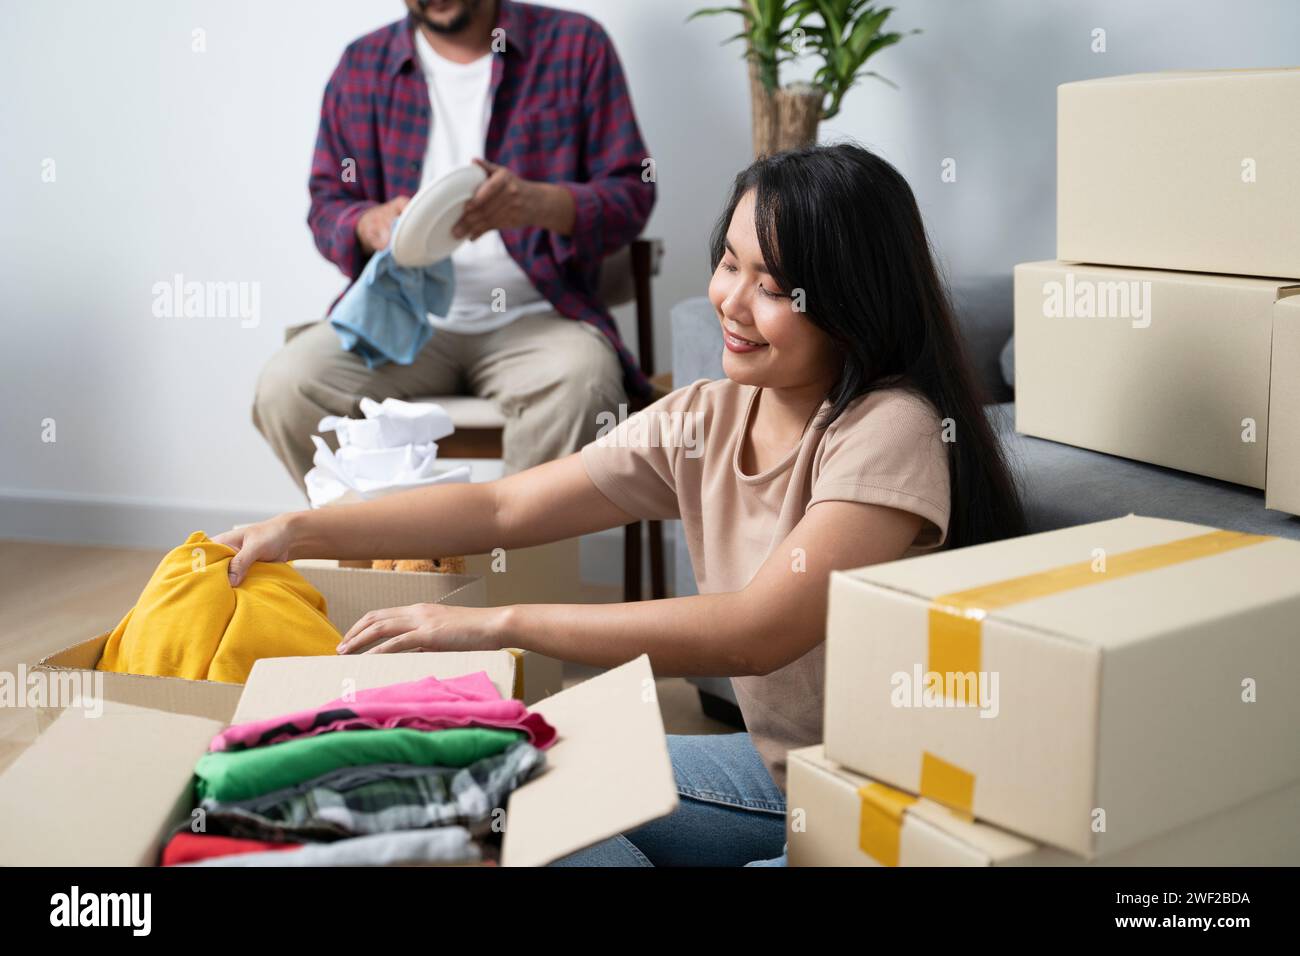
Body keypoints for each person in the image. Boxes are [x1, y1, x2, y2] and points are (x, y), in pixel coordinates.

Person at [218, 143, 1026, 866]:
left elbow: (756, 633)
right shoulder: (705, 416)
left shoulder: (891, 428)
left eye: (774, 286)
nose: (732, 302)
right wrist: (297, 528)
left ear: (853, 305)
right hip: (780, 770)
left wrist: (497, 622)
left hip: (892, 809)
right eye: (731, 263)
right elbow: (503, 511)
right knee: (512, 799)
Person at [252, 0, 655, 488]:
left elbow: (632, 191)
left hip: (539, 317)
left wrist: (540, 203)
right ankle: (394, 551)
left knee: (584, 383)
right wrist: (366, 223)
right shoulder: (362, 65)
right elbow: (326, 204)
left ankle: (513, 559)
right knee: (287, 387)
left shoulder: (576, 44)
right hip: (401, 317)